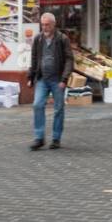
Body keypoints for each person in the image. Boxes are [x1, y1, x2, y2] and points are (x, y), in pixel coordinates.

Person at [26, 11, 73, 150]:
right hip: (42, 78)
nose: (44, 28)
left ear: (53, 25)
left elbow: (69, 59)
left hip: (57, 79)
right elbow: (34, 59)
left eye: (47, 25)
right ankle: (39, 137)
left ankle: (56, 138)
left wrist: (64, 78)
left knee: (58, 109)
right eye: (43, 25)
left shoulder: (62, 39)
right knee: (37, 105)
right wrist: (30, 76)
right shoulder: (38, 39)